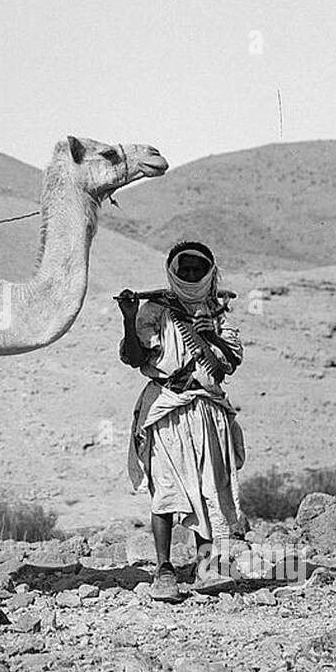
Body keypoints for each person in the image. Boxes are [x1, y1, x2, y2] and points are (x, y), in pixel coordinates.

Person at [117, 241, 246, 603]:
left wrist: (210, 334)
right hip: (166, 407)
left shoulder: (218, 312)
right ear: (173, 271)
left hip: (206, 411)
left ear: (208, 272)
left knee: (208, 491)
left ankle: (207, 568)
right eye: (184, 269)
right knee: (166, 491)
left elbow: (229, 364)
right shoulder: (155, 310)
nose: (190, 276)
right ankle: (164, 570)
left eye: (197, 270)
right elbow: (133, 357)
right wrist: (130, 318)